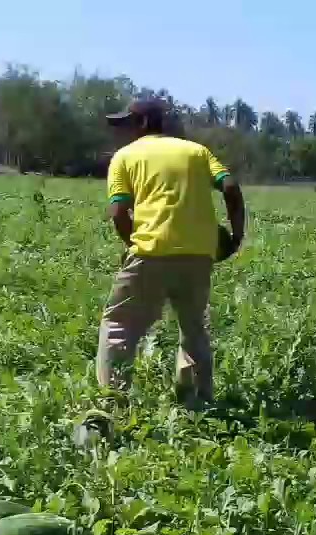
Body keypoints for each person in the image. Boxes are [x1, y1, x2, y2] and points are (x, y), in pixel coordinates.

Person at [96, 99, 246, 407]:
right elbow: (230, 186)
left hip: (151, 250)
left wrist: (132, 243)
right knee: (193, 328)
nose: (122, 131)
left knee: (119, 325)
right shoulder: (196, 151)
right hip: (199, 254)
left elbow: (118, 211)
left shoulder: (124, 157)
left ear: (141, 124)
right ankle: (196, 401)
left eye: (126, 123)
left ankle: (113, 401)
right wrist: (235, 236)